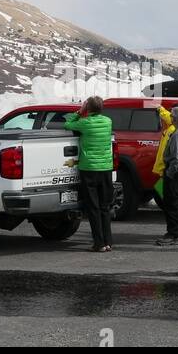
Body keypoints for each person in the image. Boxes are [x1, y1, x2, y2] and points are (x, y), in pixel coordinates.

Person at [64, 96, 114, 253]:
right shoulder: (107, 121)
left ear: (88, 108)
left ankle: (98, 243)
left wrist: (79, 111)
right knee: (105, 206)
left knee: (93, 207)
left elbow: (67, 124)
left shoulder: (84, 123)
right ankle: (108, 242)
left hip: (89, 169)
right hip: (105, 168)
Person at [156, 106, 178, 246]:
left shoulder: (177, 134)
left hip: (174, 172)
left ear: (175, 118)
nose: (169, 117)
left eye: (171, 115)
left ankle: (173, 233)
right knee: (177, 202)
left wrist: (169, 174)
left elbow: (177, 158)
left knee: (172, 203)